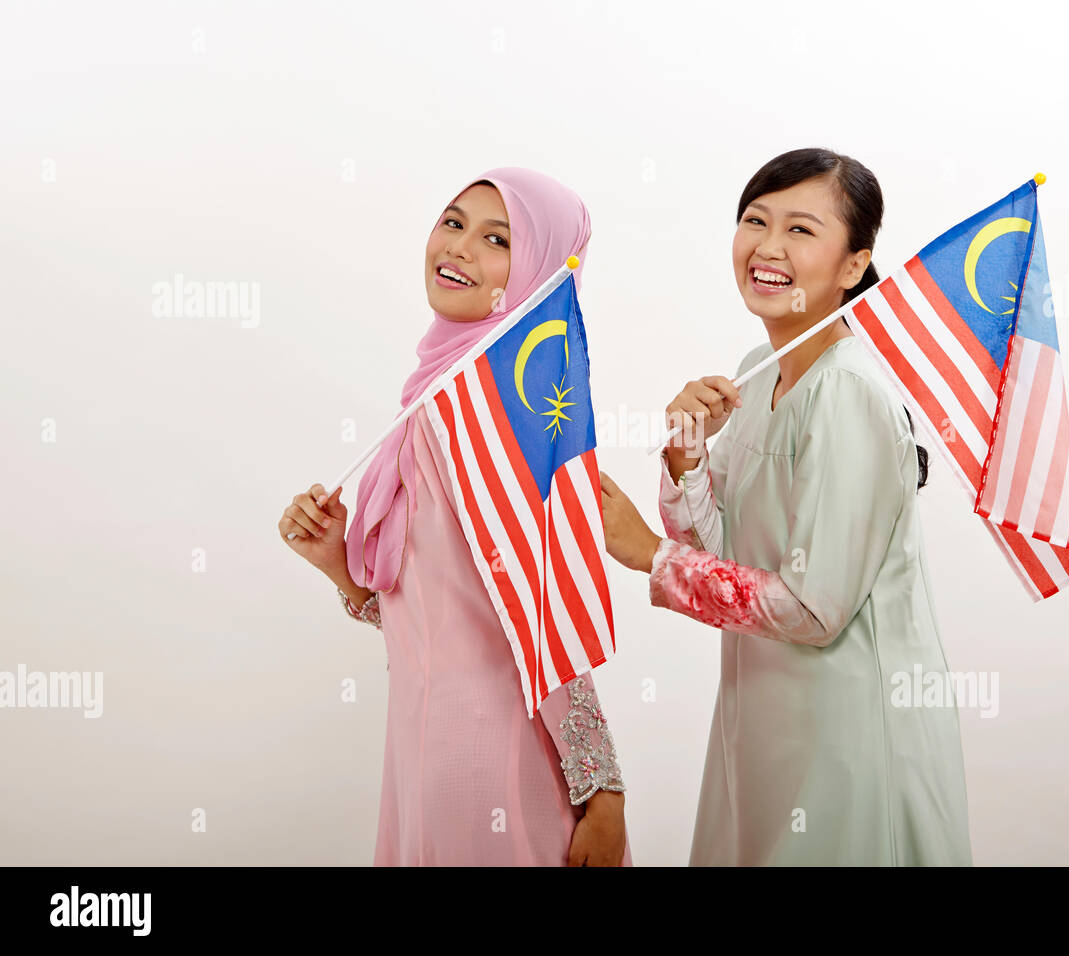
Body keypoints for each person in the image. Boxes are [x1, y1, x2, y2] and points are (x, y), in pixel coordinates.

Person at [599, 147, 972, 865]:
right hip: (763, 716)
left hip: (844, 727)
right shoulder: (758, 368)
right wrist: (686, 458)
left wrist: (650, 554)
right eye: (755, 221)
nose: (767, 248)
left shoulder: (849, 391)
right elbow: (726, 555)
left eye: (801, 230)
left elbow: (812, 608)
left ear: (853, 264)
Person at [278, 167, 631, 866]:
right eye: (453, 222)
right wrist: (341, 568)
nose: (460, 248)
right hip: (423, 752)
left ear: (536, 270)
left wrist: (602, 789)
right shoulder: (433, 401)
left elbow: (544, 611)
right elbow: (442, 618)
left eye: (498, 238)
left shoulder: (494, 417)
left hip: (494, 761)